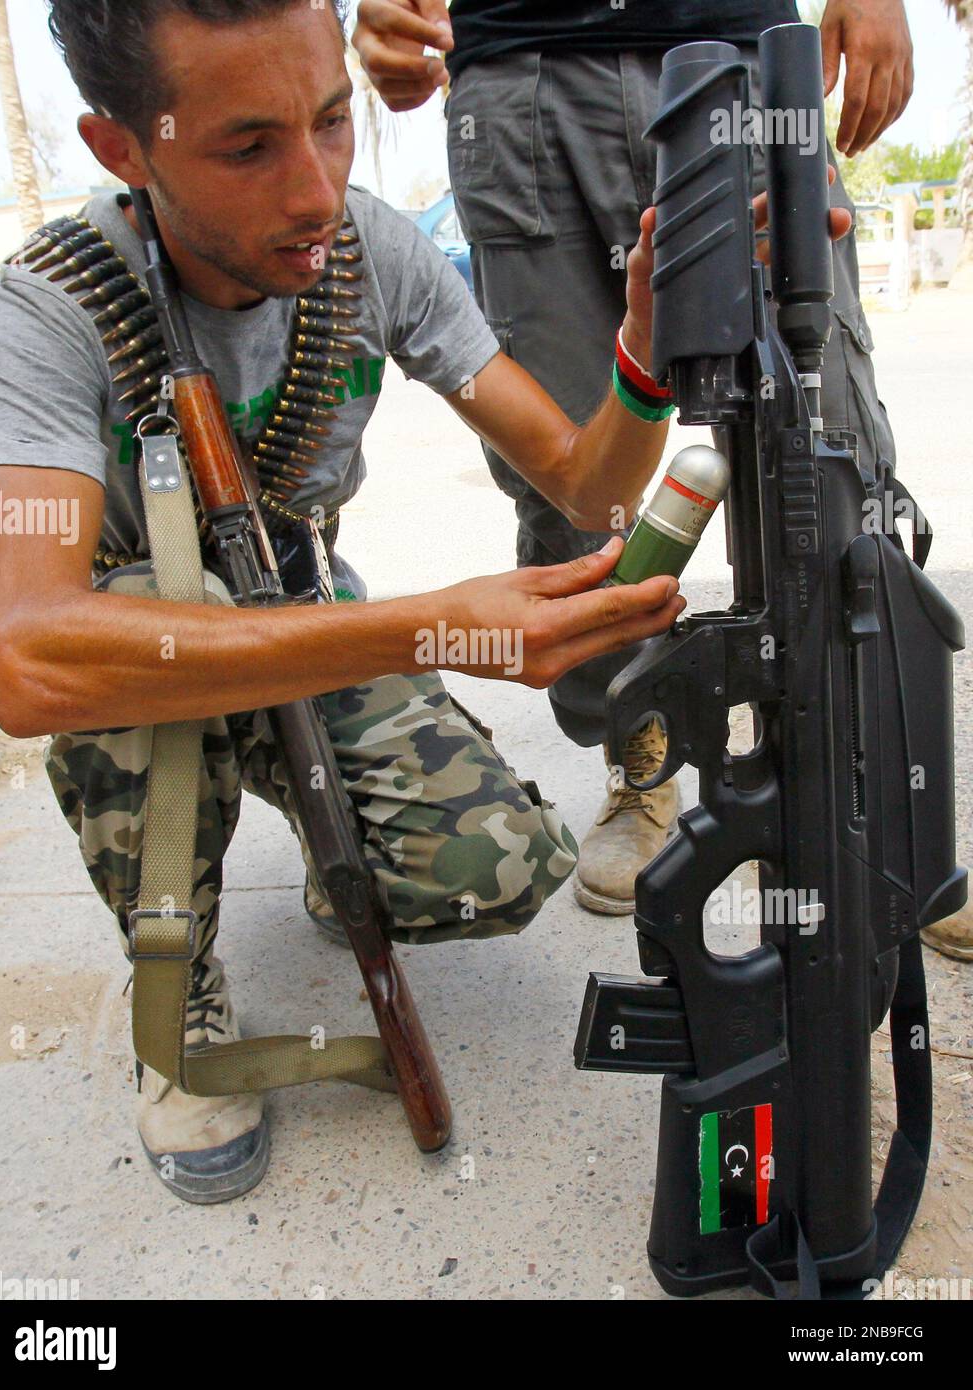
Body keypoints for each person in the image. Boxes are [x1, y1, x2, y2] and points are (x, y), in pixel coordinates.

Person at [0, 0, 689, 1204]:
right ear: (122, 151)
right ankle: (176, 979)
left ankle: (327, 832)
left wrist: (645, 358)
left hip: (307, 624)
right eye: (248, 147)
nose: (315, 191)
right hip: (149, 678)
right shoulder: (48, 312)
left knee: (495, 866)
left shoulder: (367, 253)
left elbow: (580, 478)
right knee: (129, 631)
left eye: (333, 121)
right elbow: (29, 656)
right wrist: (428, 623)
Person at [352, 0, 933, 926]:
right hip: (518, 74)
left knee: (831, 458)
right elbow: (577, 474)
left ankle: (875, 796)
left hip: (742, 51)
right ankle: (643, 761)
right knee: (573, 503)